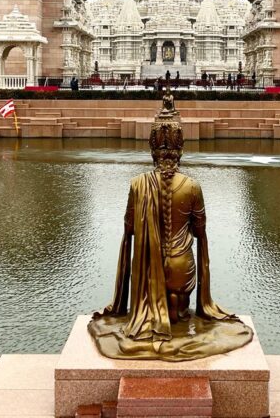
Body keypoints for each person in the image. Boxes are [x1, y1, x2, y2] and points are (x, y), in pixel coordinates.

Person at [90, 92, 253, 360]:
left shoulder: (137, 184)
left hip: (148, 270)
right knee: (178, 315)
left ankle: (153, 315)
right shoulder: (191, 186)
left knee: (158, 309)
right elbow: (200, 231)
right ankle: (175, 318)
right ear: (180, 151)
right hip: (181, 265)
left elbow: (129, 230)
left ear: (152, 150)